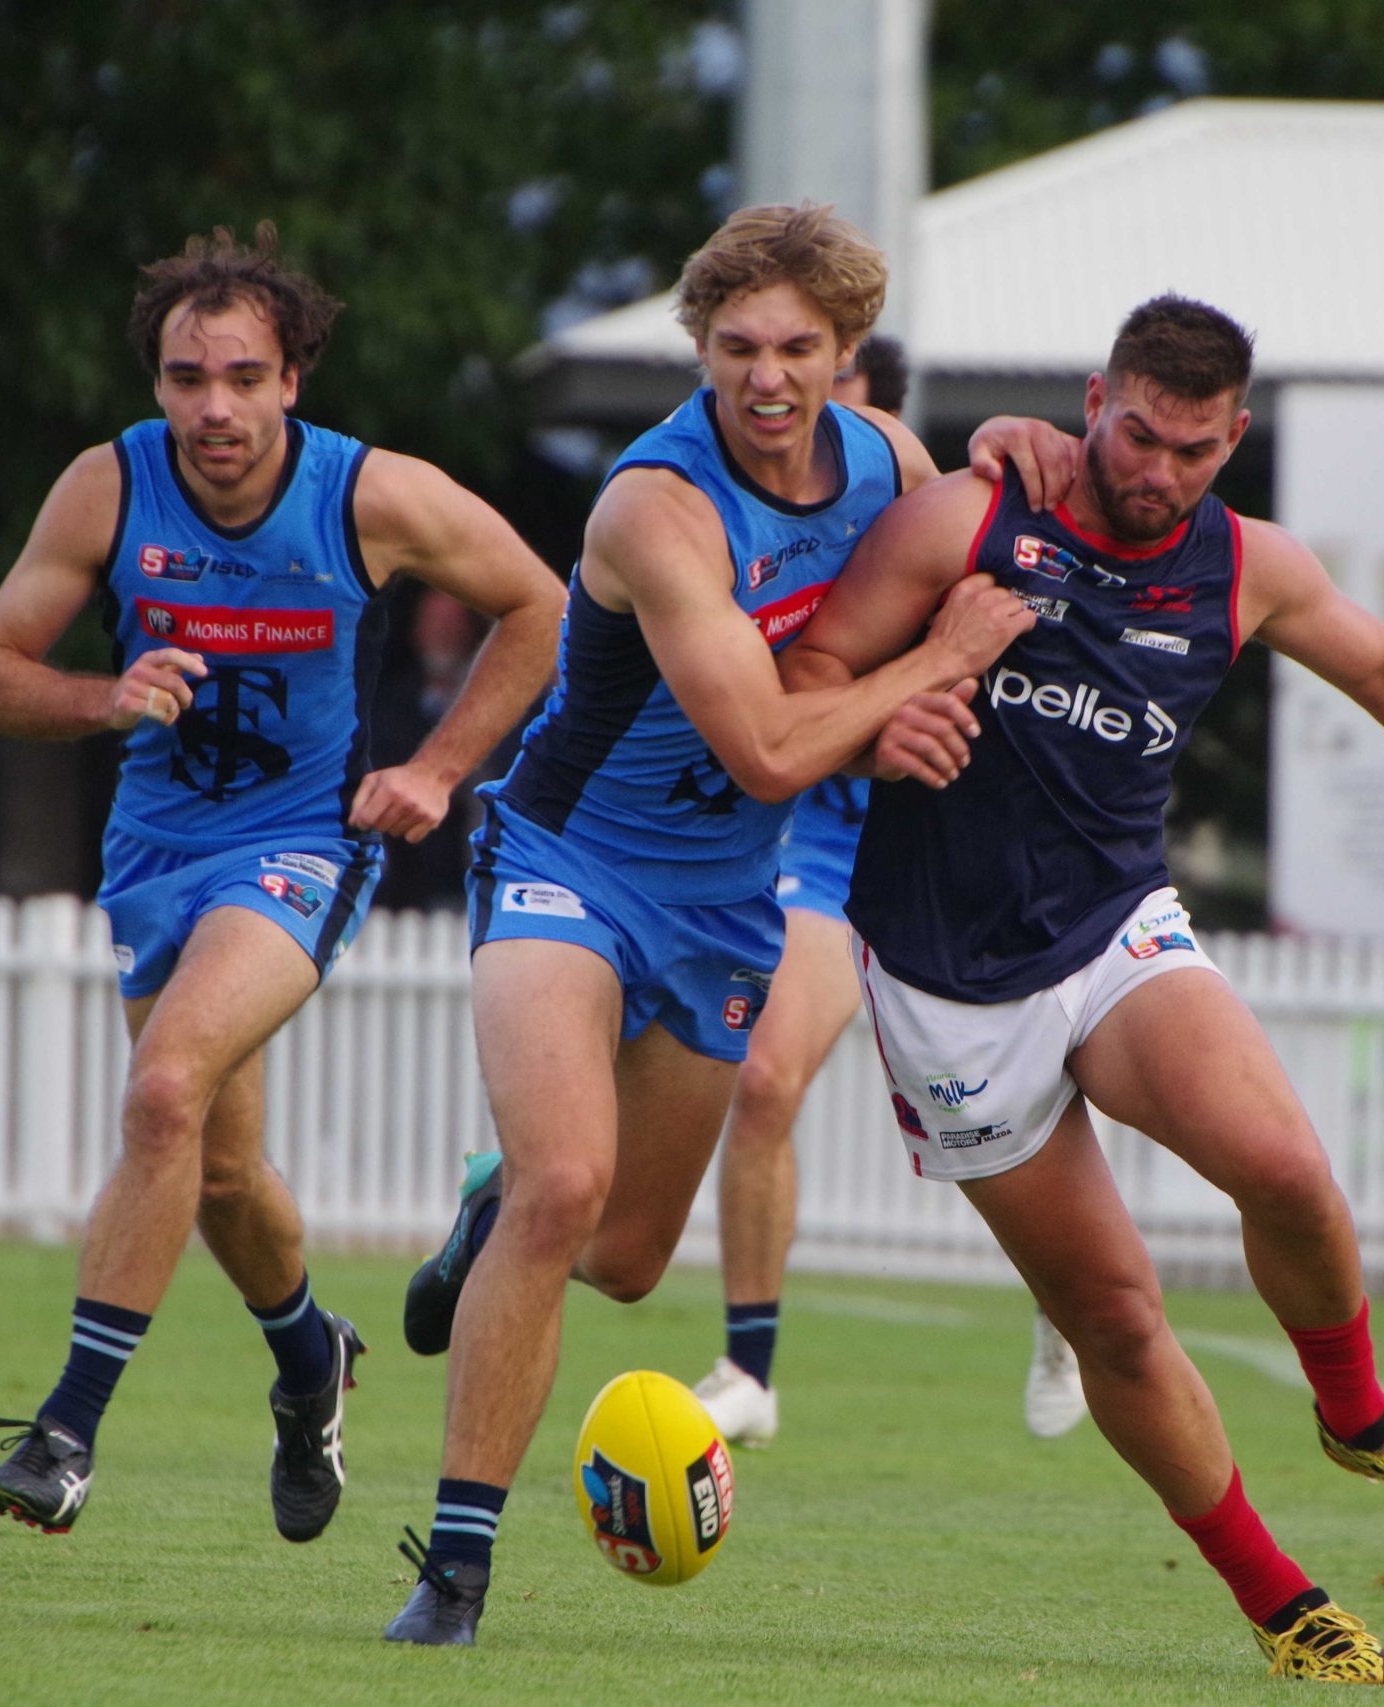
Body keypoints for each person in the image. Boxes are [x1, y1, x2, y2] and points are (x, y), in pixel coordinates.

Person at [784, 295, 1384, 1685]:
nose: (1158, 471)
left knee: (1286, 1169)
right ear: (1095, 400)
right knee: (1116, 1318)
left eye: (1192, 448)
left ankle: (1358, 1416)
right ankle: (1284, 1606)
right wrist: (891, 725)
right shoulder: (970, 521)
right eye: (1137, 434)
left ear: (1233, 438)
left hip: (1115, 928)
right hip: (947, 981)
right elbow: (810, 675)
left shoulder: (1247, 563)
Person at [382, 203, 1068, 1647]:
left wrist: (1012, 465)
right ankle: (453, 1570)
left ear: (847, 350)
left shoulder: (890, 466)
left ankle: (486, 1210)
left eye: (798, 348)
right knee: (570, 1185)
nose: (767, 376)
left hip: (725, 901)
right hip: (568, 860)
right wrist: (927, 672)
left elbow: (965, 589)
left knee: (628, 1259)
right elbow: (764, 750)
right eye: (738, 346)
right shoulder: (657, 507)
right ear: (698, 346)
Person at [0, 223, 564, 1543]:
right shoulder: (108, 488)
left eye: (243, 376)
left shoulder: (367, 495)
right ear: (157, 383)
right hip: (154, 851)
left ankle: (65, 1429)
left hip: (302, 845)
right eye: (187, 378)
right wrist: (104, 695)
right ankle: (308, 1357)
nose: (214, 407)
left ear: (294, 378)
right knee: (220, 1172)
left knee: (162, 1088)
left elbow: (541, 604)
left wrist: (439, 766)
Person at [685, 332, 1089, 1451]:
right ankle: (750, 1369)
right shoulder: (726, 503)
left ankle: (1069, 1305)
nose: (793, 406)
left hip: (952, 832)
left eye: (831, 388)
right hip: (817, 836)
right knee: (765, 1076)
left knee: (1018, 1100)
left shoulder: (918, 497)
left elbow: (1037, 522)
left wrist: (1011, 439)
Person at [369, 586, 496, 911]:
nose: (444, 633)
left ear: (473, 630)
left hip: (479, 880)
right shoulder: (386, 707)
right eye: (434, 623)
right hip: (403, 896)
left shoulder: (504, 711)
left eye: (453, 623)